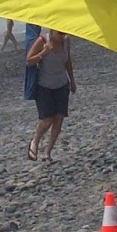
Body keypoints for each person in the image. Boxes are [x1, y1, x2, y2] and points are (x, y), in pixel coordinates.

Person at [25, 28, 75, 161]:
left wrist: (72, 80)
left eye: (64, 33)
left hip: (61, 84)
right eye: (60, 33)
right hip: (44, 86)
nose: (63, 36)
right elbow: (29, 60)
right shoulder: (42, 40)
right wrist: (44, 53)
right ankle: (35, 141)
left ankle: (47, 152)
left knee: (59, 118)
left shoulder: (66, 41)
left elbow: (67, 61)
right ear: (52, 31)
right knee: (47, 119)